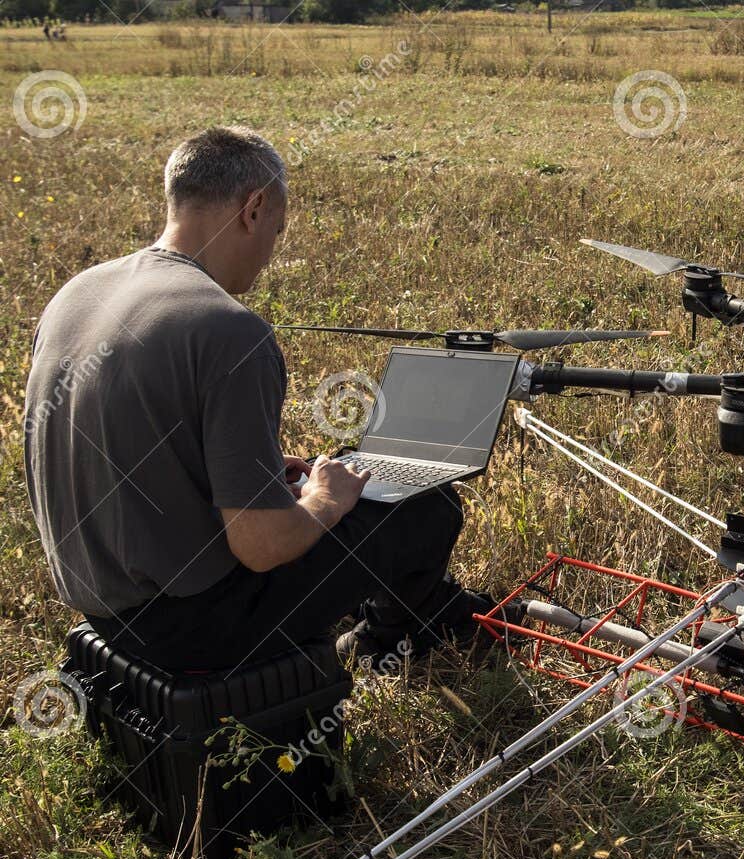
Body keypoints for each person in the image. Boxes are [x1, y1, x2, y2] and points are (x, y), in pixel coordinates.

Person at [23, 126, 512, 674]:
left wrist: (248, 477)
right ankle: (396, 639)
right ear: (253, 209)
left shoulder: (77, 293)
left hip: (102, 608)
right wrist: (323, 502)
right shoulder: (231, 331)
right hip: (193, 626)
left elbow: (126, 446)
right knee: (424, 508)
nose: (269, 255)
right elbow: (261, 546)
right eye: (276, 232)